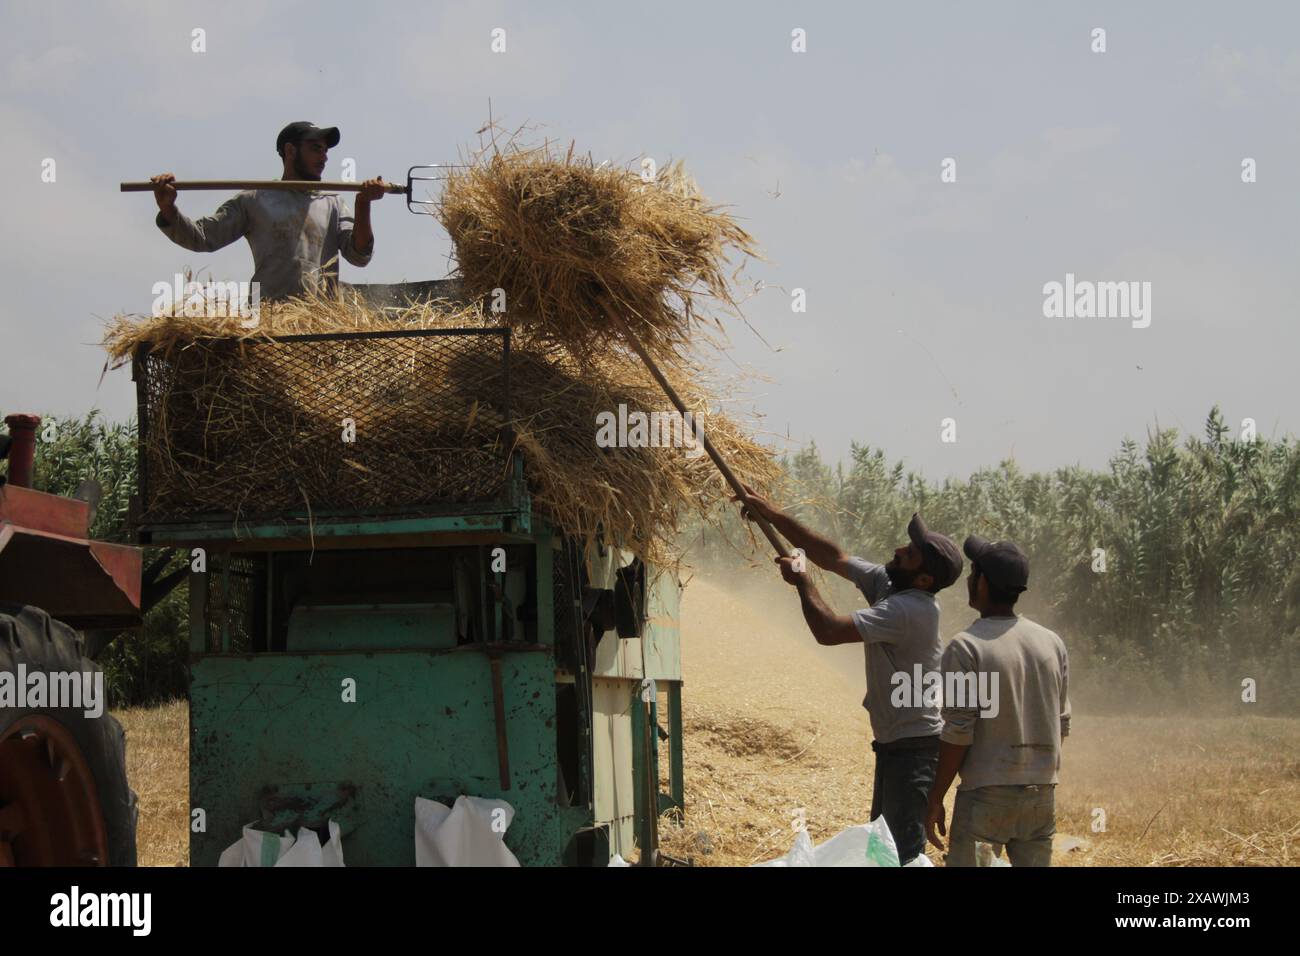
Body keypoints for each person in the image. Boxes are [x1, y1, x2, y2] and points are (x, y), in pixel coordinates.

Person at [737, 488, 962, 864]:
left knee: (899, 855)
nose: (898, 550)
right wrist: (772, 513)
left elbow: (827, 631)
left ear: (924, 579)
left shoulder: (911, 610)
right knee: (881, 848)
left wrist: (802, 582)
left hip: (914, 751)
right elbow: (833, 556)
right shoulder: (893, 582)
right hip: (896, 745)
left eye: (909, 553)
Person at [924, 535, 1070, 866]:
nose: (968, 579)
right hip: (1041, 795)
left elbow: (959, 731)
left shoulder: (967, 647)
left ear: (983, 584)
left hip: (986, 799)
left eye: (973, 572)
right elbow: (1062, 721)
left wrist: (935, 797)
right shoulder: (1052, 643)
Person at [150, 121, 385, 301]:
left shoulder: (332, 202)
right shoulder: (255, 199)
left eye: (325, 151)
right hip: (268, 320)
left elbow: (359, 256)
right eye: (315, 149)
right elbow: (203, 237)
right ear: (290, 151)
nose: (323, 157)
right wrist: (168, 208)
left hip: (322, 323)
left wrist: (363, 204)